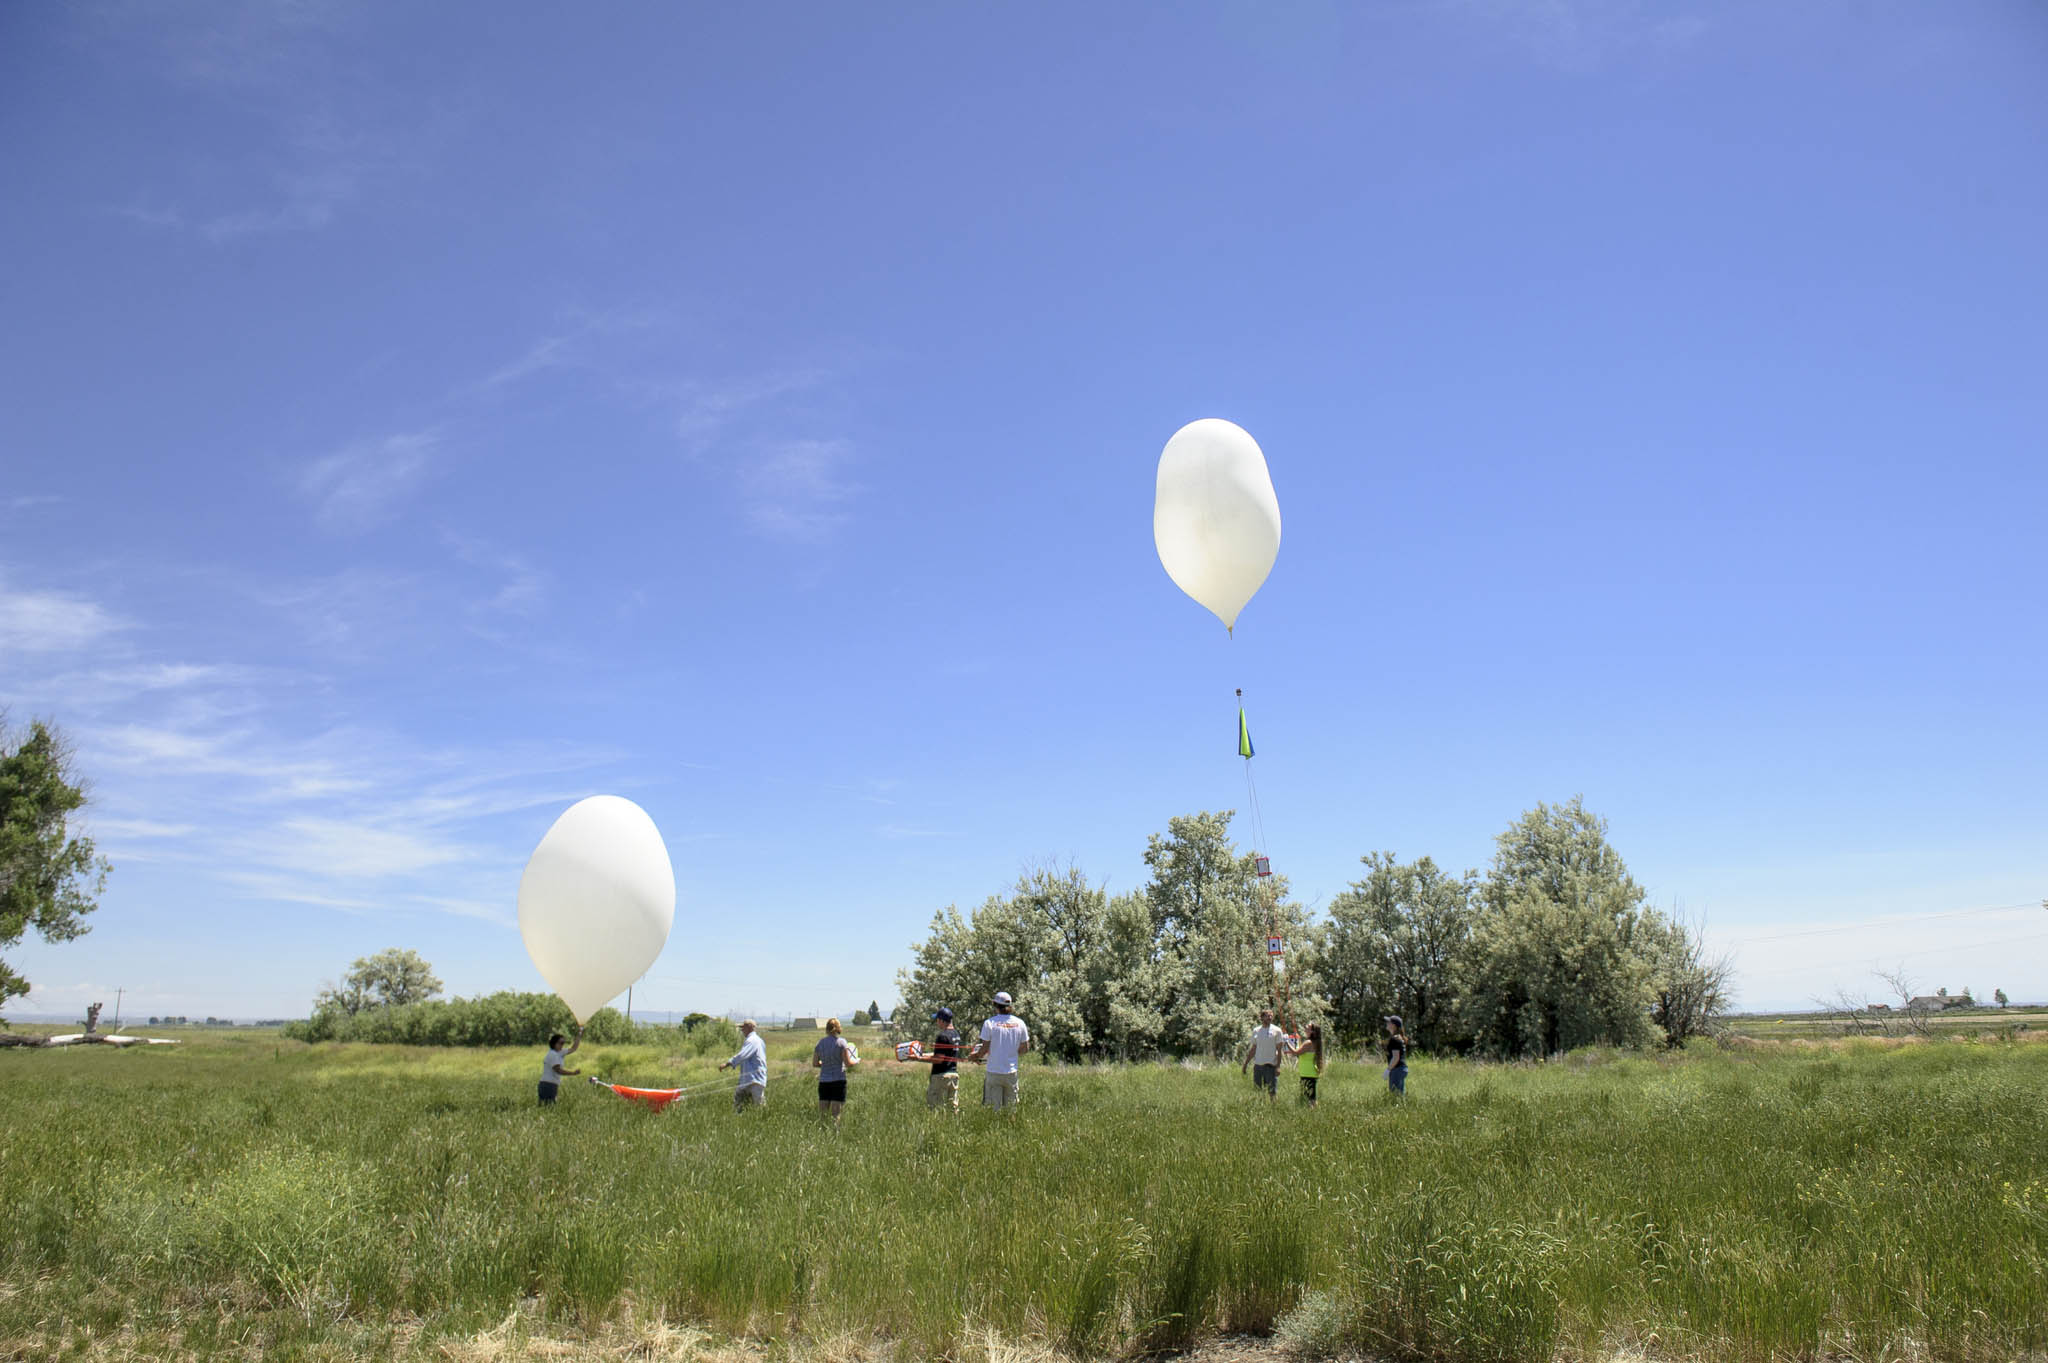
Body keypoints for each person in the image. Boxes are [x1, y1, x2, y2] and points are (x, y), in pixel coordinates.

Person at [971, 991, 1031, 1112]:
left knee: (993, 1109)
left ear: (995, 1005)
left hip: (994, 1072)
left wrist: (975, 1056)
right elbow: (1025, 1048)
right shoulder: (1020, 1023)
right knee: (1011, 1109)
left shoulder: (989, 1023)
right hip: (1011, 1072)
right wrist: (1011, 1054)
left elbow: (984, 1048)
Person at [812, 1017, 857, 1122]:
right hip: (838, 1081)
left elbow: (815, 1063)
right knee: (836, 1114)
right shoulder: (841, 1042)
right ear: (838, 1028)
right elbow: (847, 1063)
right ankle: (835, 1132)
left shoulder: (820, 1043)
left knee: (823, 1115)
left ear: (827, 1028)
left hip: (824, 1082)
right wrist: (855, 1061)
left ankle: (822, 1131)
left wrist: (825, 1064)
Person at [719, 1019, 768, 1111]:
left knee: (759, 1106)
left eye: (743, 1027)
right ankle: (739, 1116)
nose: (742, 1030)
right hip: (750, 1079)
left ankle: (762, 1117)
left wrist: (727, 1063)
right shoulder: (759, 1040)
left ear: (749, 1027)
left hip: (754, 1080)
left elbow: (742, 1055)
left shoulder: (752, 1040)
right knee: (740, 1101)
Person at [1239, 1008, 1286, 1100]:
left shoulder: (1277, 1031)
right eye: (1268, 1016)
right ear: (1262, 1017)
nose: (1270, 1017)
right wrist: (1245, 1064)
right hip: (1258, 1066)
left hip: (1270, 1066)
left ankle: (1273, 1107)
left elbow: (1279, 1050)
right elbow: (1253, 1049)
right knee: (1258, 1091)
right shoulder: (1256, 1031)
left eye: (1271, 1016)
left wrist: (1278, 1066)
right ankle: (1261, 1106)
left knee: (1272, 1092)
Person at [926, 1007, 962, 1111]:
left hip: (941, 1076)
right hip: (953, 1075)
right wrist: (922, 1055)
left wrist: (918, 1058)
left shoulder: (942, 1036)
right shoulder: (956, 1035)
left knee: (936, 1108)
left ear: (942, 1020)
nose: (937, 1023)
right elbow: (945, 1054)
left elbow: (939, 1059)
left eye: (937, 1020)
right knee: (952, 1108)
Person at [539, 1027, 581, 1105]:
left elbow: (573, 1048)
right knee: (549, 1107)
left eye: (563, 1043)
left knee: (548, 1107)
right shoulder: (552, 1054)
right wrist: (573, 1073)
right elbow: (558, 1070)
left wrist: (579, 1034)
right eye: (561, 1043)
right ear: (554, 1043)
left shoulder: (559, 1052)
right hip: (548, 1085)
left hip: (551, 1085)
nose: (562, 1045)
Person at [1291, 1022, 1325, 1107]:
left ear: (1312, 1031)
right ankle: (1314, 1111)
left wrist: (1286, 1042)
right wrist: (1297, 1039)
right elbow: (1301, 1050)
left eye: (1308, 1027)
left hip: (1307, 1073)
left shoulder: (1308, 1042)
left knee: (1308, 1099)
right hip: (1311, 1073)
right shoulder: (1314, 1042)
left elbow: (1295, 1052)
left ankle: (1312, 1112)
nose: (1305, 1027)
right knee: (1312, 1097)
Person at [1383, 1015, 1409, 1096]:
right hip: (1401, 1069)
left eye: (1389, 1022)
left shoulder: (1394, 1039)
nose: (1387, 1023)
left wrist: (1388, 1070)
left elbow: (1396, 1057)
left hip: (1397, 1070)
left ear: (1393, 1025)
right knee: (1400, 1095)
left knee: (1395, 1096)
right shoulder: (1399, 1037)